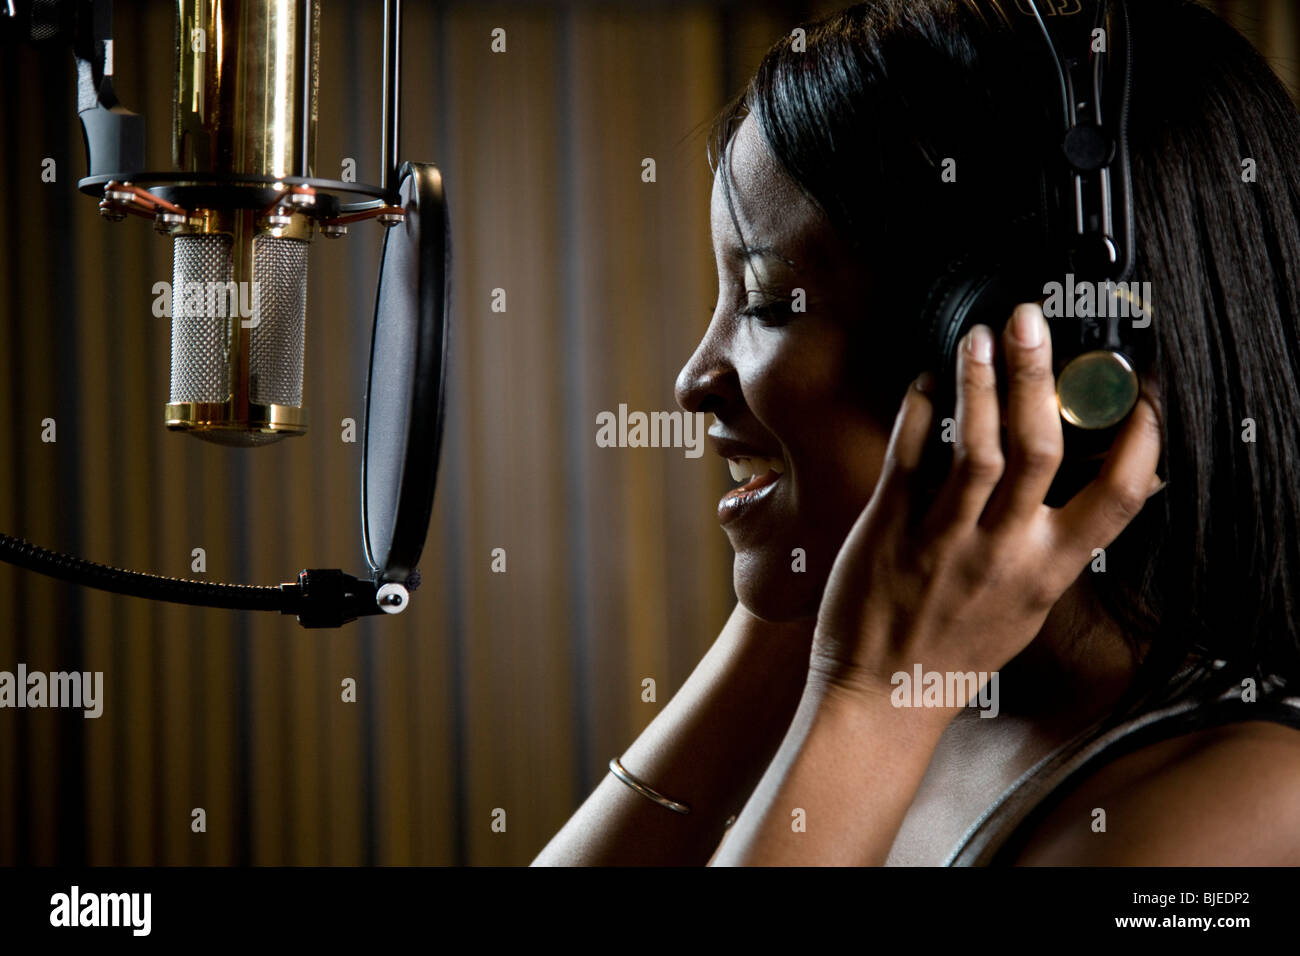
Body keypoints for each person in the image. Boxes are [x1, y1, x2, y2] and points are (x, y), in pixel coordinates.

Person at [534, 0, 1300, 866]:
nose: (693, 382)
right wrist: (787, 633)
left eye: (764, 305)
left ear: (1031, 351)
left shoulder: (1242, 810)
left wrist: (873, 697)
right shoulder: (883, 713)